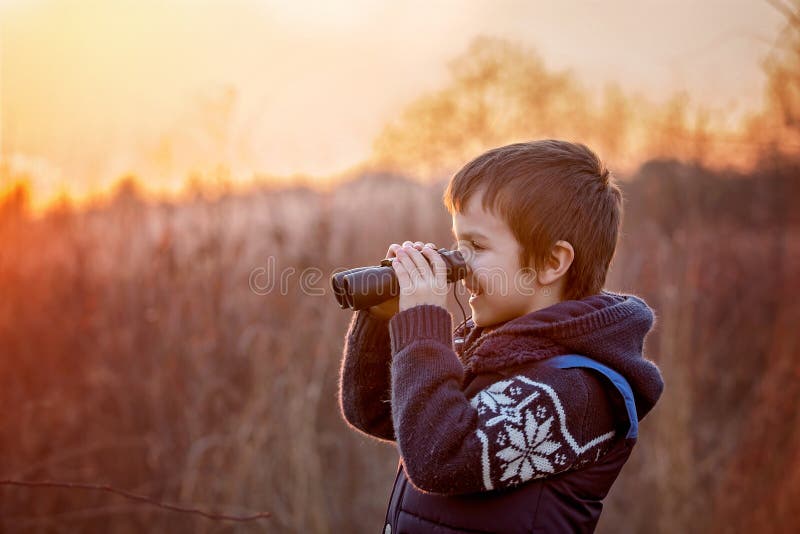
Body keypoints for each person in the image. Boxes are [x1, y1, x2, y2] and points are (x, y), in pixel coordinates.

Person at [338, 139, 665, 533]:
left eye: (476, 246)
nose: (460, 266)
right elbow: (376, 411)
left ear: (550, 262)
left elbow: (439, 458)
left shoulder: (576, 391)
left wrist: (424, 326)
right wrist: (385, 316)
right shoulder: (490, 350)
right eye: (457, 244)